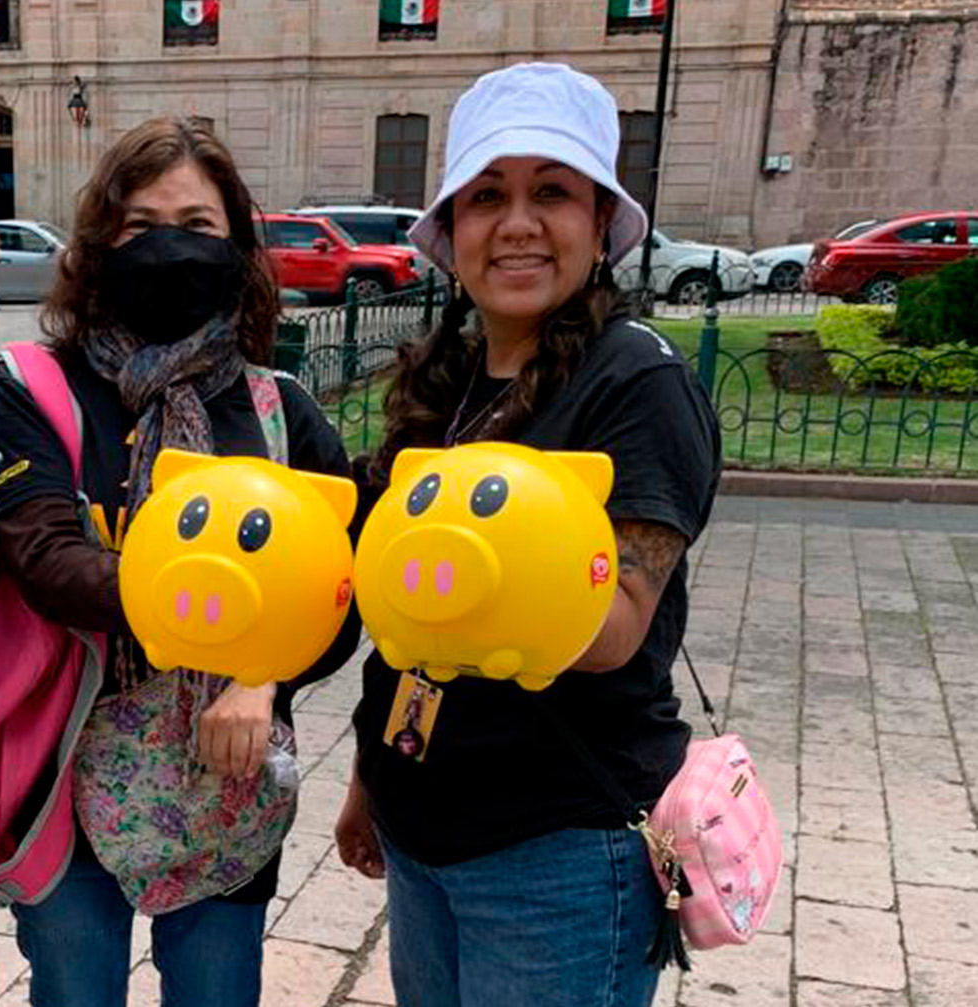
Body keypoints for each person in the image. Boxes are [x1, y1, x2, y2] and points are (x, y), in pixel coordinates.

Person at [333, 63, 721, 1007]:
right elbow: (401, 623)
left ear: (599, 224)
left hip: (557, 845)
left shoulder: (634, 382)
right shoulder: (447, 384)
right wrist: (371, 772)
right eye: (485, 197)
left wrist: (449, 575)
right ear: (453, 231)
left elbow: (612, 627)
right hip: (426, 825)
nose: (515, 222)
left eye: (551, 190)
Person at [0, 116, 361, 1007]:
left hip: (230, 779)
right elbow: (45, 558)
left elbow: (340, 595)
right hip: (65, 767)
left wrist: (260, 676)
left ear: (237, 246)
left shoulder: (279, 411)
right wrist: (237, 606)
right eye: (141, 226)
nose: (168, 249)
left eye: (196, 227)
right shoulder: (34, 387)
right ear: (100, 246)